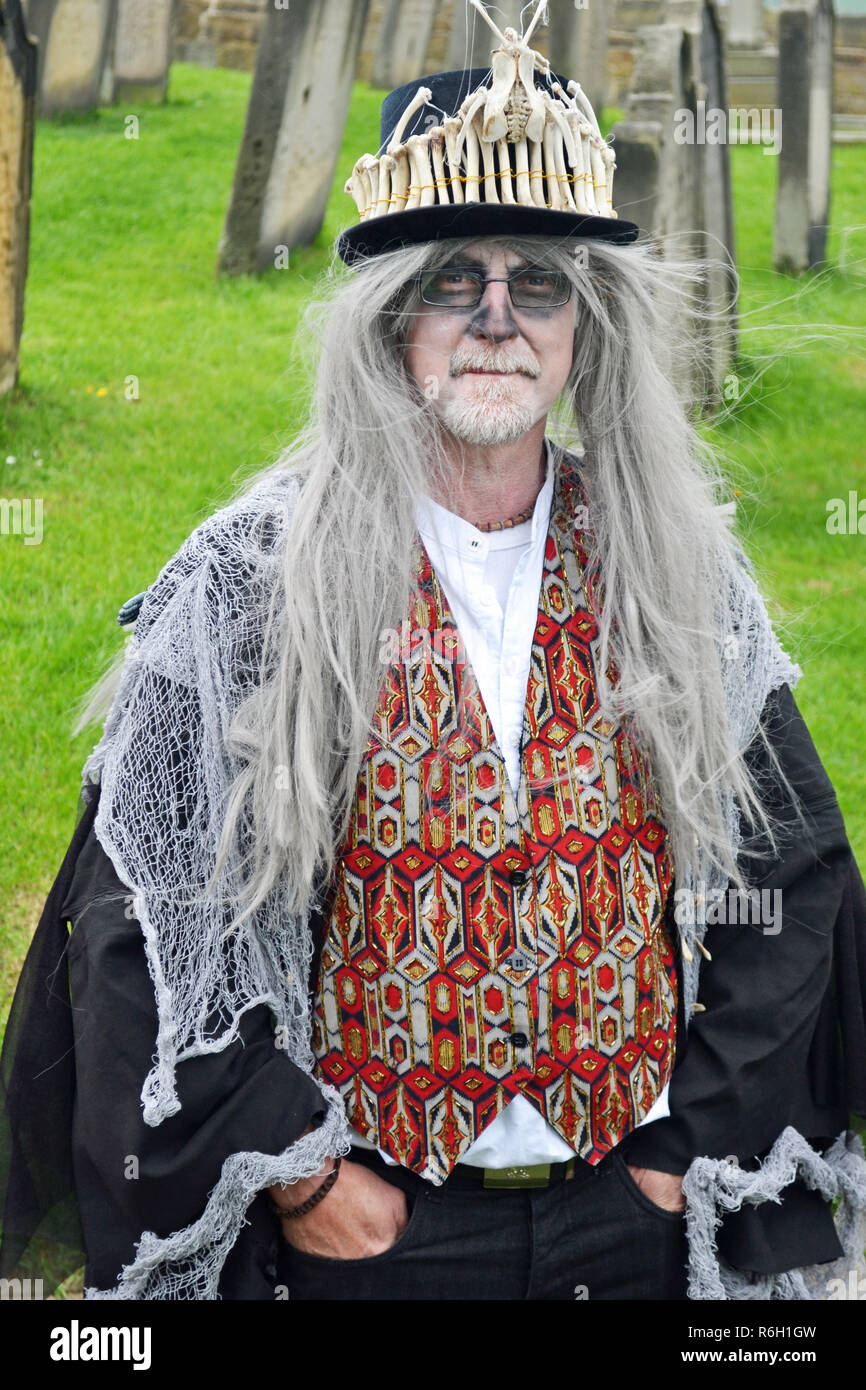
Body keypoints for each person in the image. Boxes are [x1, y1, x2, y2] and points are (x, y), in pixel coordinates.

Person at [2, 2, 866, 1302]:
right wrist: (296, 1171)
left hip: (620, 1218)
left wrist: (687, 1145)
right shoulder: (251, 578)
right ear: (392, 316)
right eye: (451, 277)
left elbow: (791, 870)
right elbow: (151, 911)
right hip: (377, 1235)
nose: (496, 315)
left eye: (538, 281)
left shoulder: (672, 568)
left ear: (585, 326)